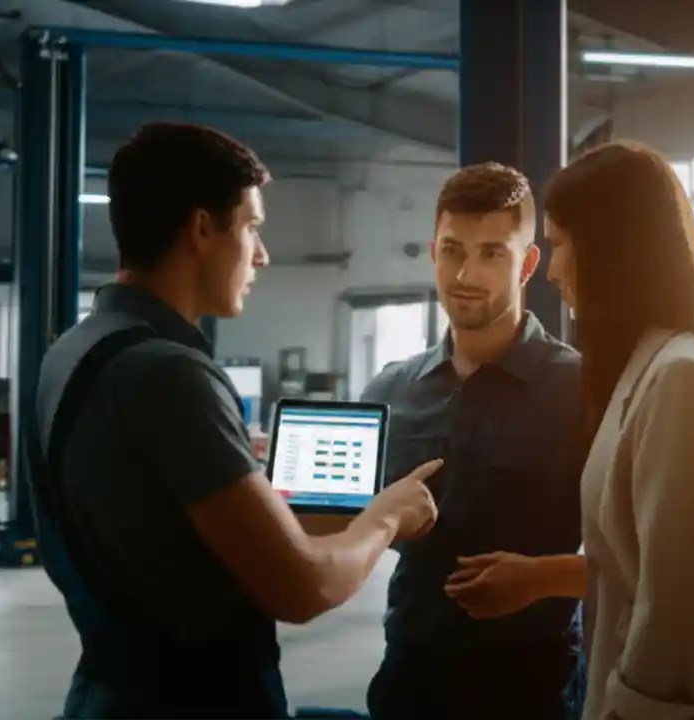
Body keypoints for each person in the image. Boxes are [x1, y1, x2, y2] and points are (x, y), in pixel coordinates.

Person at [30, 122, 441, 719]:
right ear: (202, 229)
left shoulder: (71, 352)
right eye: (251, 227)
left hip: (106, 693)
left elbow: (159, 531)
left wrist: (273, 508)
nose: (263, 254)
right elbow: (304, 588)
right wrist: (386, 516)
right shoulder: (172, 374)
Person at [446, 141, 694, 720]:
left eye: (564, 244)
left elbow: (676, 618)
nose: (558, 268)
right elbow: (651, 562)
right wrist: (544, 576)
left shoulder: (686, 375)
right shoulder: (666, 360)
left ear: (616, 247)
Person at [361, 163, 586, 720]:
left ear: (528, 263)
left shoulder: (582, 388)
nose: (466, 272)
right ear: (433, 251)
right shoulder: (390, 389)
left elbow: (638, 557)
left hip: (531, 684)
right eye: (452, 250)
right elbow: (345, 525)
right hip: (410, 677)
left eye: (492, 253)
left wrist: (540, 579)